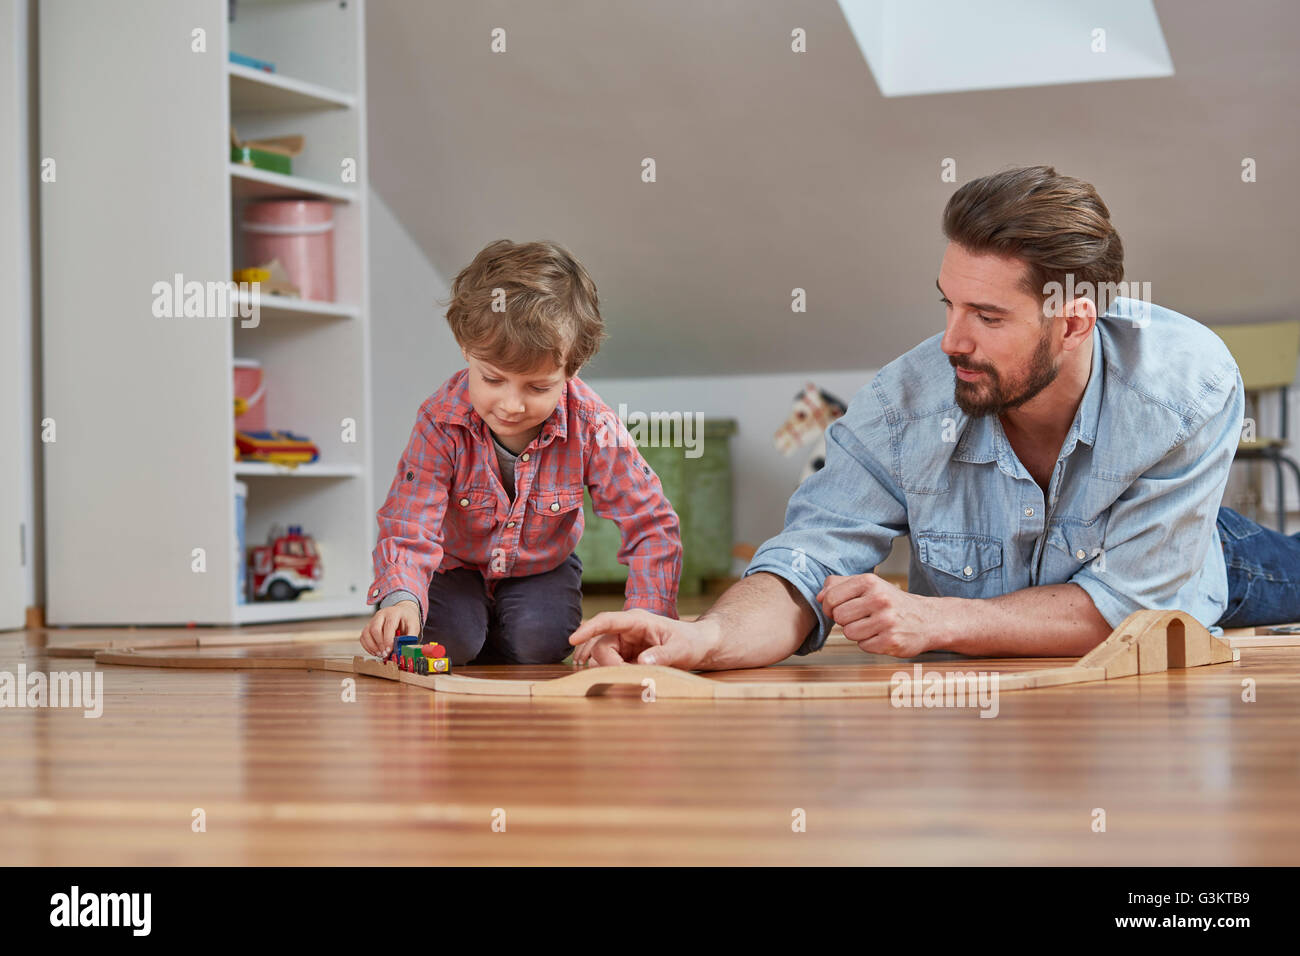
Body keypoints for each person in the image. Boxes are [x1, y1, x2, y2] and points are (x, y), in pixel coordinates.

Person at [568, 165, 1300, 671]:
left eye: (987, 315)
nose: (952, 340)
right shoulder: (905, 402)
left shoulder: (1185, 384)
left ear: (1073, 324)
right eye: (947, 303)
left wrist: (938, 620)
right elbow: (807, 557)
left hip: (1196, 558)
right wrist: (707, 637)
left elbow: (1137, 607)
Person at [361, 239, 682, 664]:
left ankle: (500, 630)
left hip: (540, 568)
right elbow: (409, 521)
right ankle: (475, 627)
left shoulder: (593, 426)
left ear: (572, 369)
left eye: (538, 387)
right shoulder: (440, 422)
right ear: (465, 349)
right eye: (492, 380)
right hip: (454, 568)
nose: (512, 406)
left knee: (540, 647)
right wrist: (401, 598)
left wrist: (646, 617)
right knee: (448, 643)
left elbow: (650, 524)